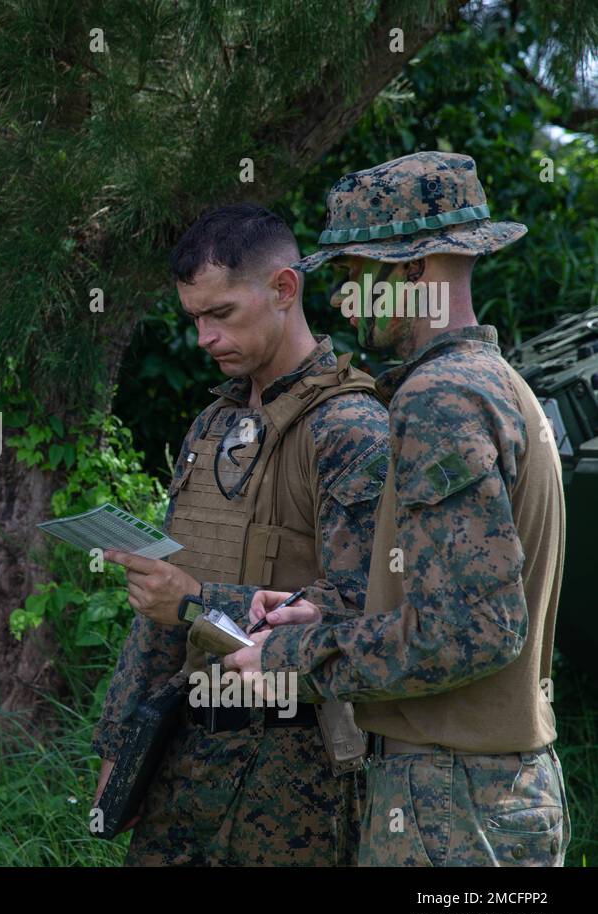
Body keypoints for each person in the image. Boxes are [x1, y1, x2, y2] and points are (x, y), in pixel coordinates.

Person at [232, 151, 570, 866]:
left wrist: (290, 654)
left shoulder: (440, 399)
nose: (346, 300)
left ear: (413, 272)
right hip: (486, 789)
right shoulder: (500, 384)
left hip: (449, 798)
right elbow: (460, 598)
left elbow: (472, 630)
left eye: (357, 275)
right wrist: (336, 615)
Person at [93, 204, 390, 865]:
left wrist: (201, 600)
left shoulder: (350, 431)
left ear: (284, 289)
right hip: (182, 751)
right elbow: (158, 611)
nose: (203, 336)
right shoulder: (210, 427)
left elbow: (363, 615)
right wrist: (120, 746)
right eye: (194, 317)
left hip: (292, 776)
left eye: (220, 313)